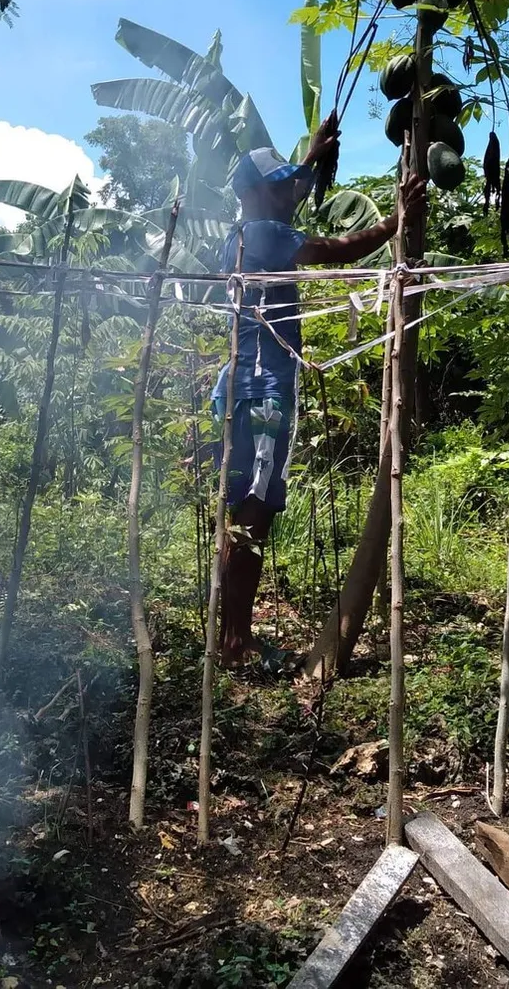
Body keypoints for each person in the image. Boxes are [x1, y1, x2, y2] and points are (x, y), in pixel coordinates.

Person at [212, 113, 426, 669]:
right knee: (252, 515)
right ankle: (234, 643)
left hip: (247, 386)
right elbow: (340, 250)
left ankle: (233, 636)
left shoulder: (250, 229)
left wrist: (311, 155)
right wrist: (393, 223)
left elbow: (292, 193)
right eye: (281, 185)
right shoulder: (265, 233)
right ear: (258, 193)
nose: (294, 192)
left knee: (248, 511)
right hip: (263, 391)